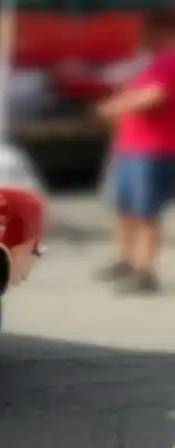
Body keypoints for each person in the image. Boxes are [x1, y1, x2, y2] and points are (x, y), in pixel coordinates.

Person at [95, 11, 175, 295]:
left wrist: (115, 107)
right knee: (125, 207)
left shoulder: (169, 61)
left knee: (146, 212)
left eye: (150, 31)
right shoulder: (152, 62)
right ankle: (126, 259)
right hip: (131, 146)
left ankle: (145, 270)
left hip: (154, 150)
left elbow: (155, 97)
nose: (144, 37)